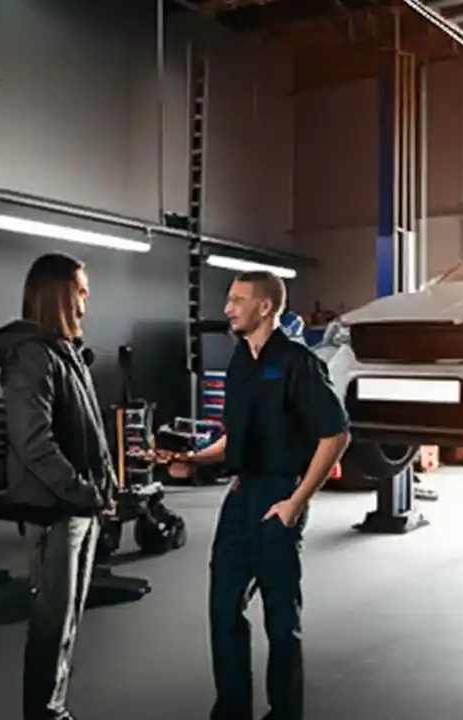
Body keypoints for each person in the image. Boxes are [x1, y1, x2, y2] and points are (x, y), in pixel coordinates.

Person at [170, 270, 350, 720]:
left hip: (279, 496)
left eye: (237, 300)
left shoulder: (298, 363)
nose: (227, 308)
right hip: (240, 495)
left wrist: (296, 503)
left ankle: (285, 713)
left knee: (280, 619)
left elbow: (336, 435)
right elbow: (235, 439)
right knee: (223, 608)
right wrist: (195, 458)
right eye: (228, 300)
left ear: (265, 307)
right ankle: (232, 711)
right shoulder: (239, 363)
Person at [0, 252, 116, 720]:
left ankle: (54, 710)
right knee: (50, 626)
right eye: (80, 291)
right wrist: (83, 492)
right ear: (60, 293)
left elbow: (90, 431)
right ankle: (44, 714)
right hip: (56, 510)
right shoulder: (32, 357)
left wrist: (107, 484)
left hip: (81, 507)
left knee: (68, 623)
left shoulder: (66, 353)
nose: (86, 301)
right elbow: (33, 442)